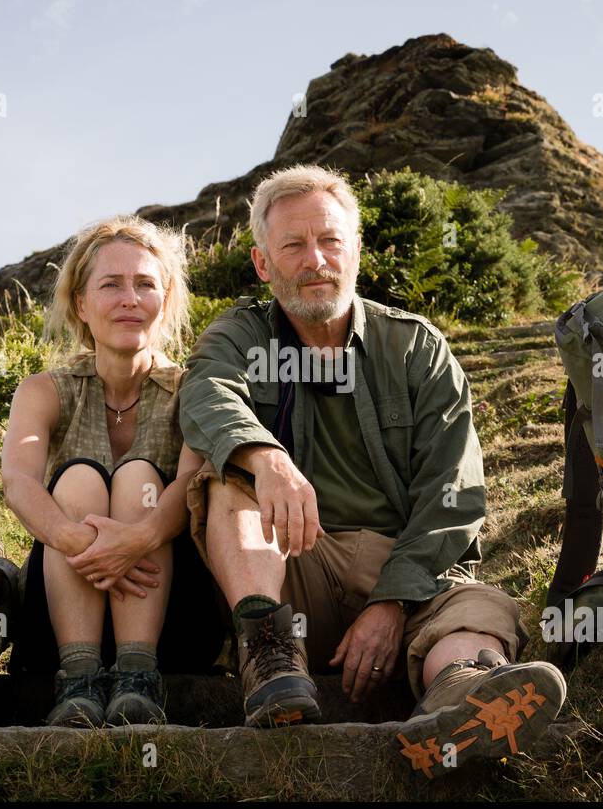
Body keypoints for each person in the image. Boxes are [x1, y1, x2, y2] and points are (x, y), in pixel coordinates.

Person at [178, 164, 568, 777]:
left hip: (405, 572)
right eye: (293, 246)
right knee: (226, 484)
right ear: (262, 264)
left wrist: (389, 603)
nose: (316, 261)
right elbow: (204, 394)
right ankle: (272, 658)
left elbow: (452, 495)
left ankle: (456, 704)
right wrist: (266, 457)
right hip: (291, 566)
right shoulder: (242, 333)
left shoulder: (415, 348)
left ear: (355, 250)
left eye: (331, 241)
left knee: (474, 616)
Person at [1, 215, 219, 727]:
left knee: (140, 479)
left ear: (164, 300)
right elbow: (19, 481)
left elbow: (189, 482)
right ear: (81, 303)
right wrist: (81, 542)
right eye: (111, 284)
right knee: (78, 479)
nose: (130, 298)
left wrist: (137, 539)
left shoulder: (192, 390)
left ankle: (138, 678)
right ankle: (77, 680)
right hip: (62, 618)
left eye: (145, 284)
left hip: (171, 620)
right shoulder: (45, 390)